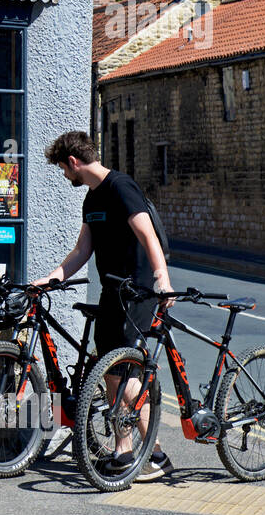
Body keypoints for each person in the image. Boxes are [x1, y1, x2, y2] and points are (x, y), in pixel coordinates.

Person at [32, 130, 175, 482]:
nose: (66, 177)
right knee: (111, 371)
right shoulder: (91, 200)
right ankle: (146, 453)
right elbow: (83, 250)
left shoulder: (121, 187)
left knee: (125, 370)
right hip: (112, 292)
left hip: (139, 292)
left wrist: (162, 280)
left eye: (65, 170)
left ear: (74, 162)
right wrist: (51, 279)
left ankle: (132, 451)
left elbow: (148, 235)